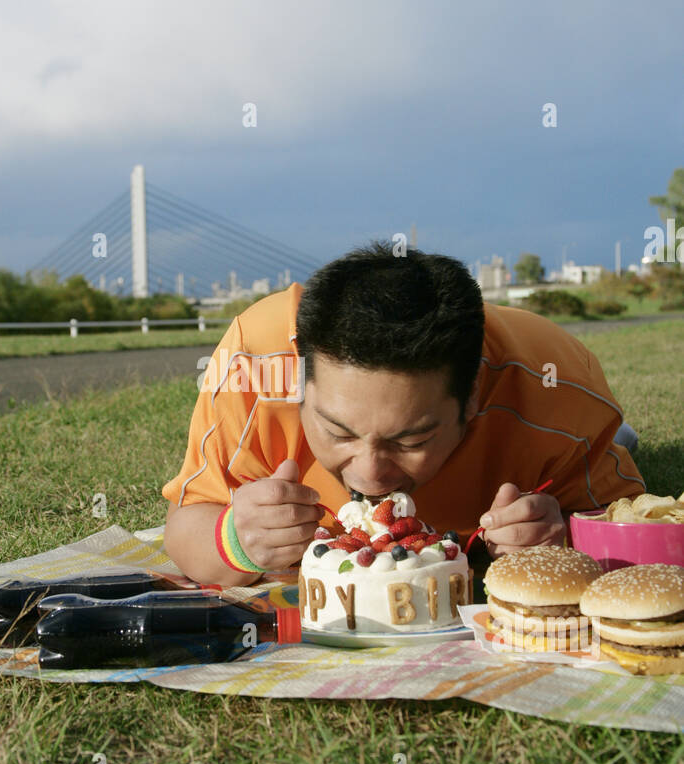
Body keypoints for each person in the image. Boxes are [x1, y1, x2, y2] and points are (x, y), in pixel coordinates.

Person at [162, 243, 646, 586]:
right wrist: (233, 539)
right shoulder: (253, 363)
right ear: (299, 382)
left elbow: (637, 541)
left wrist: (559, 542)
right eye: (338, 432)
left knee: (620, 442)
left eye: (410, 440)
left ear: (474, 394)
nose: (371, 473)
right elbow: (186, 522)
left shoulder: (558, 385)